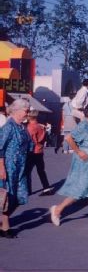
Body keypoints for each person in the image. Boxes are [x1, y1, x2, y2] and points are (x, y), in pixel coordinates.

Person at [50, 102, 88, 227]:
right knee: (81, 188)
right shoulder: (84, 125)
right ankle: (57, 209)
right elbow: (68, 138)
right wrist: (78, 152)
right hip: (87, 162)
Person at [0, 99, 33, 238]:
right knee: (8, 196)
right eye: (26, 111)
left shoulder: (22, 127)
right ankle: (5, 226)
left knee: (20, 196)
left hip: (21, 167)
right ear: (17, 110)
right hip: (9, 167)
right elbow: (0, 148)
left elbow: (29, 145)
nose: (28, 113)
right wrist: (1, 167)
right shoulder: (8, 127)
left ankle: (3, 222)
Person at [24, 110, 53, 196]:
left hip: (32, 151)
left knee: (26, 171)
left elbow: (30, 140)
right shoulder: (40, 126)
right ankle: (46, 188)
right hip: (40, 150)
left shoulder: (30, 127)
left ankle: (27, 190)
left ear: (30, 117)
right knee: (41, 171)